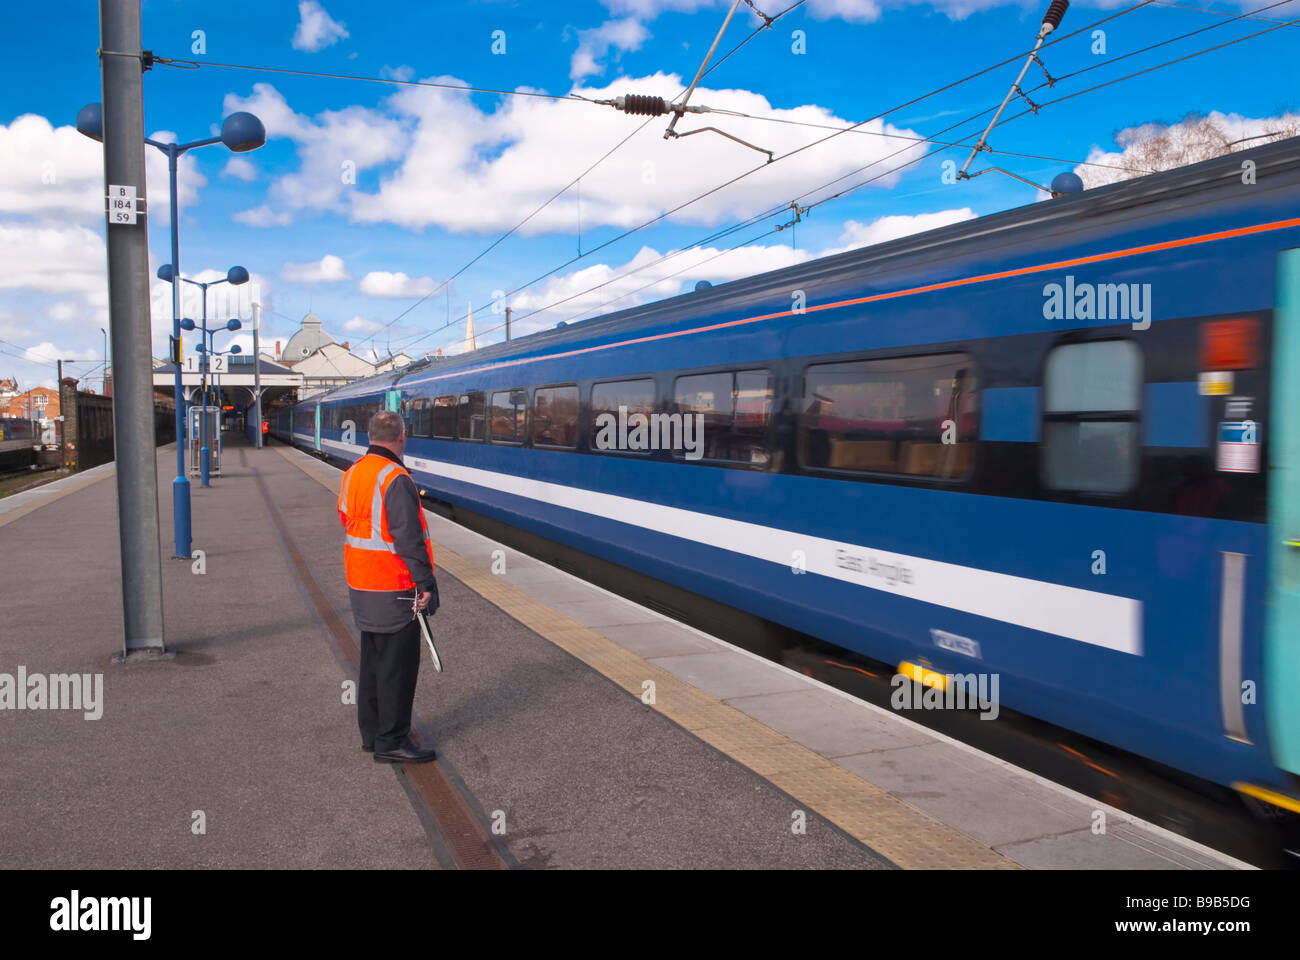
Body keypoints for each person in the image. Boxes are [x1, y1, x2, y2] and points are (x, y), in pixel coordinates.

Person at [337, 409, 440, 764]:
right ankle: (392, 740)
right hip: (393, 586)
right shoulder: (395, 478)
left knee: (374, 662)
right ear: (402, 437)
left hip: (360, 582)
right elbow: (408, 539)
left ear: (369, 436)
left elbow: (347, 519)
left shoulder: (353, 473)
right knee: (398, 668)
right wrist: (426, 583)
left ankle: (372, 735)